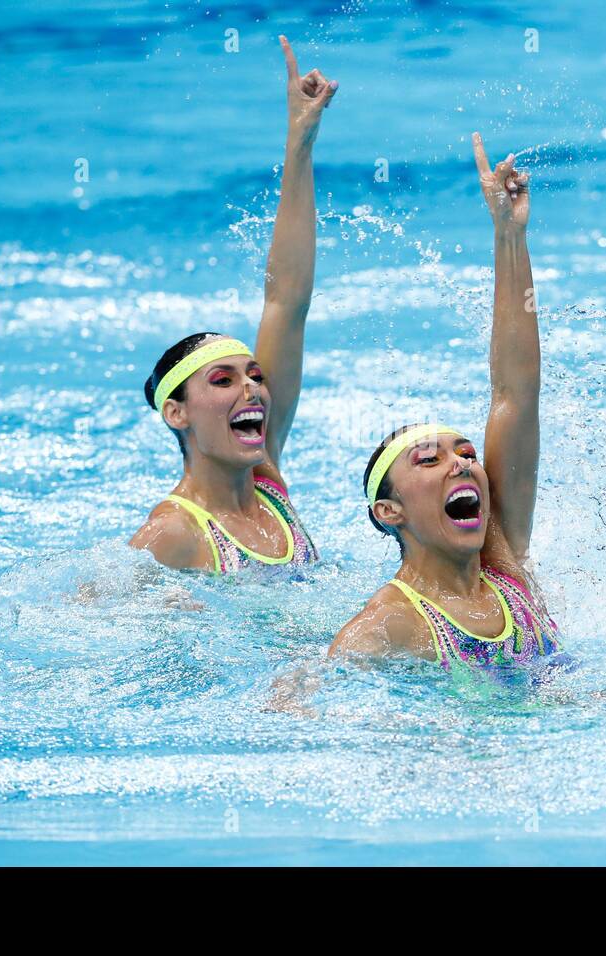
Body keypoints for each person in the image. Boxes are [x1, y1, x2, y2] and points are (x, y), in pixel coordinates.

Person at [330, 134, 563, 678]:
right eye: (429, 461)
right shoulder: (389, 625)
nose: (462, 463)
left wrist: (509, 234)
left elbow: (516, 391)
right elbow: (319, 695)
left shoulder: (504, 561)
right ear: (390, 513)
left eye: (465, 454)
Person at [130, 37, 334, 573]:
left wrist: (301, 141)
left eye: (254, 376)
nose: (252, 388)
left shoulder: (267, 483)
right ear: (177, 413)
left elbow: (287, 301)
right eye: (222, 381)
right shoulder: (172, 532)